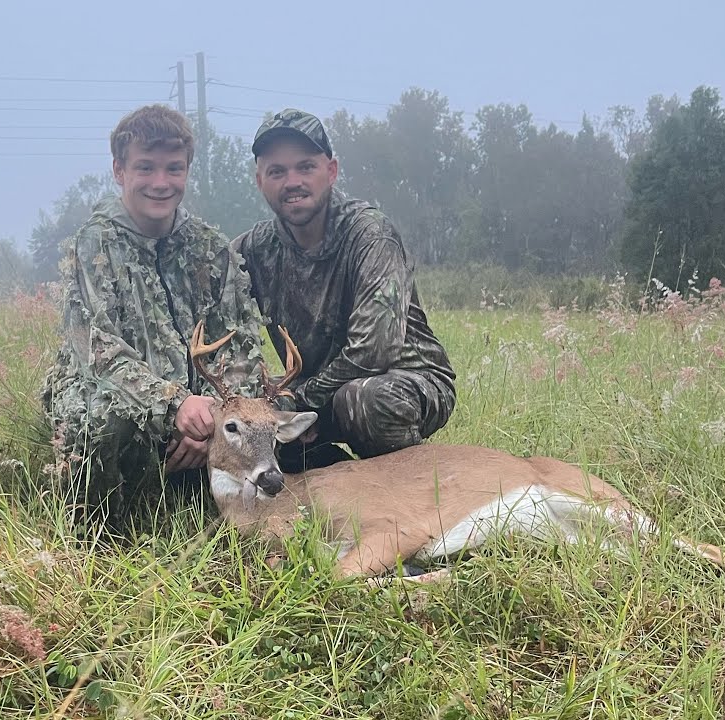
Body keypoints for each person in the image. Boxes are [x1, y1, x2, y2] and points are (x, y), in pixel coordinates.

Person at [42, 104, 265, 530]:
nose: (160, 183)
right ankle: (97, 537)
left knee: (268, 423)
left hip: (202, 412)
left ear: (186, 172)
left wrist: (215, 417)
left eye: (173, 169)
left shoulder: (209, 247)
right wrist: (175, 405)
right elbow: (98, 352)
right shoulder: (95, 244)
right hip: (120, 397)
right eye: (145, 167)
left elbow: (242, 347)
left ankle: (213, 514)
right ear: (119, 170)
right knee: (95, 423)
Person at [232, 108, 456, 472]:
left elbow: (374, 352)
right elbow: (209, 295)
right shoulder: (253, 249)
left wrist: (296, 404)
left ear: (331, 172)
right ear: (260, 181)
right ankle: (326, 468)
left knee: (366, 401)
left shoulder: (370, 235)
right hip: (317, 392)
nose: (292, 181)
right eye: (277, 171)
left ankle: (405, 491)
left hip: (402, 381)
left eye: (305, 167)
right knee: (242, 416)